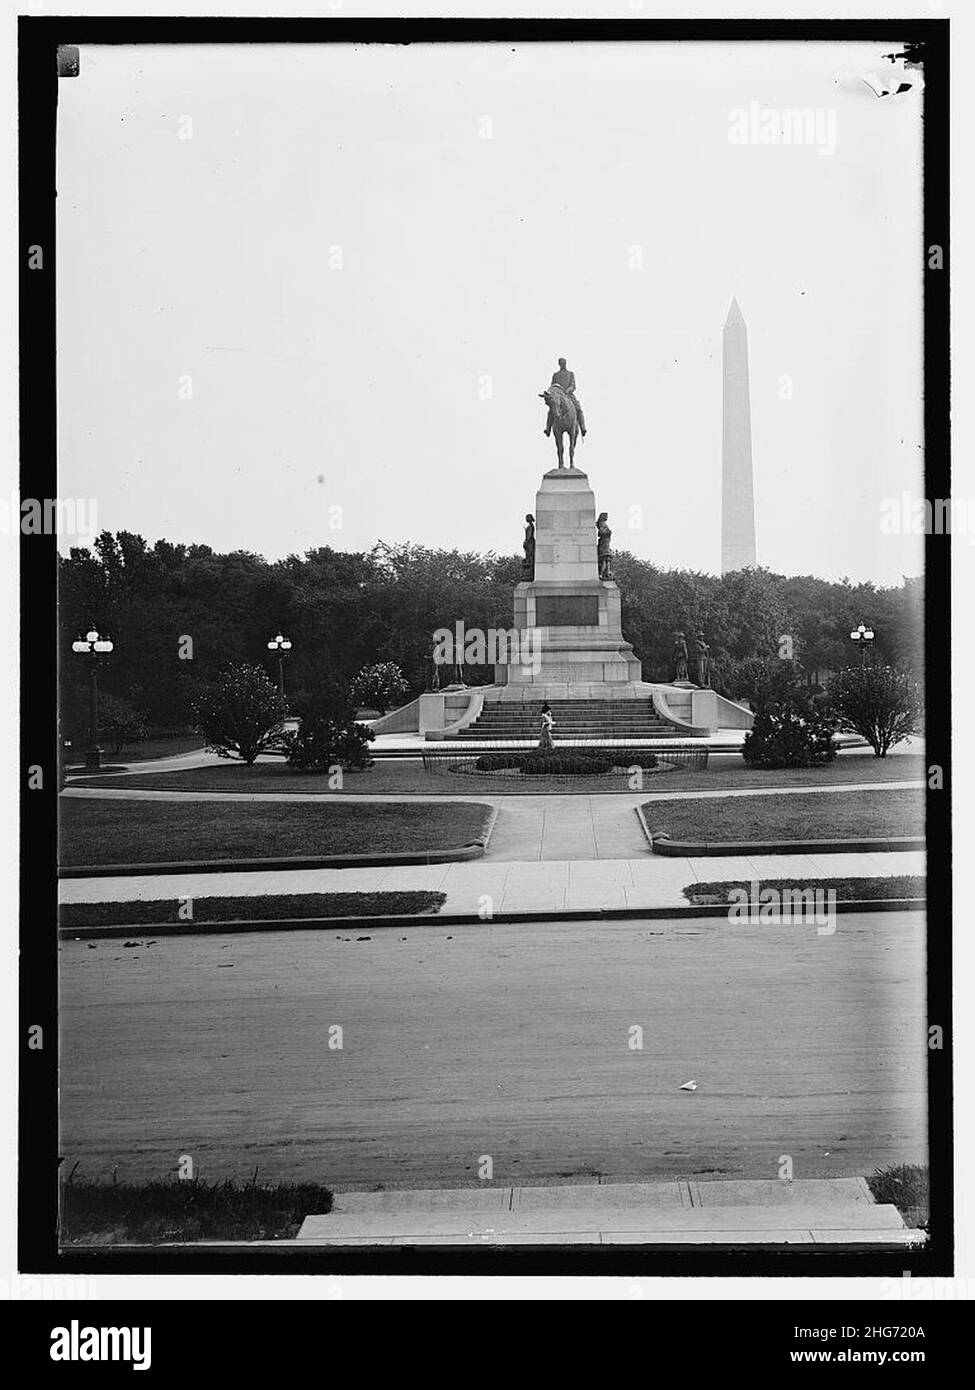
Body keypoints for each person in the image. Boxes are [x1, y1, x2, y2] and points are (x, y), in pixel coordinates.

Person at [544, 357, 586, 437]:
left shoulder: (570, 374)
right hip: (558, 396)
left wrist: (568, 390)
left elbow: (573, 385)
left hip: (569, 395)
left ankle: (583, 427)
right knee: (551, 411)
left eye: (564, 363)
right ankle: (548, 429)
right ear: (559, 364)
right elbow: (552, 386)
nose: (563, 365)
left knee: (578, 409)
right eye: (561, 363)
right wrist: (550, 393)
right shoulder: (556, 375)